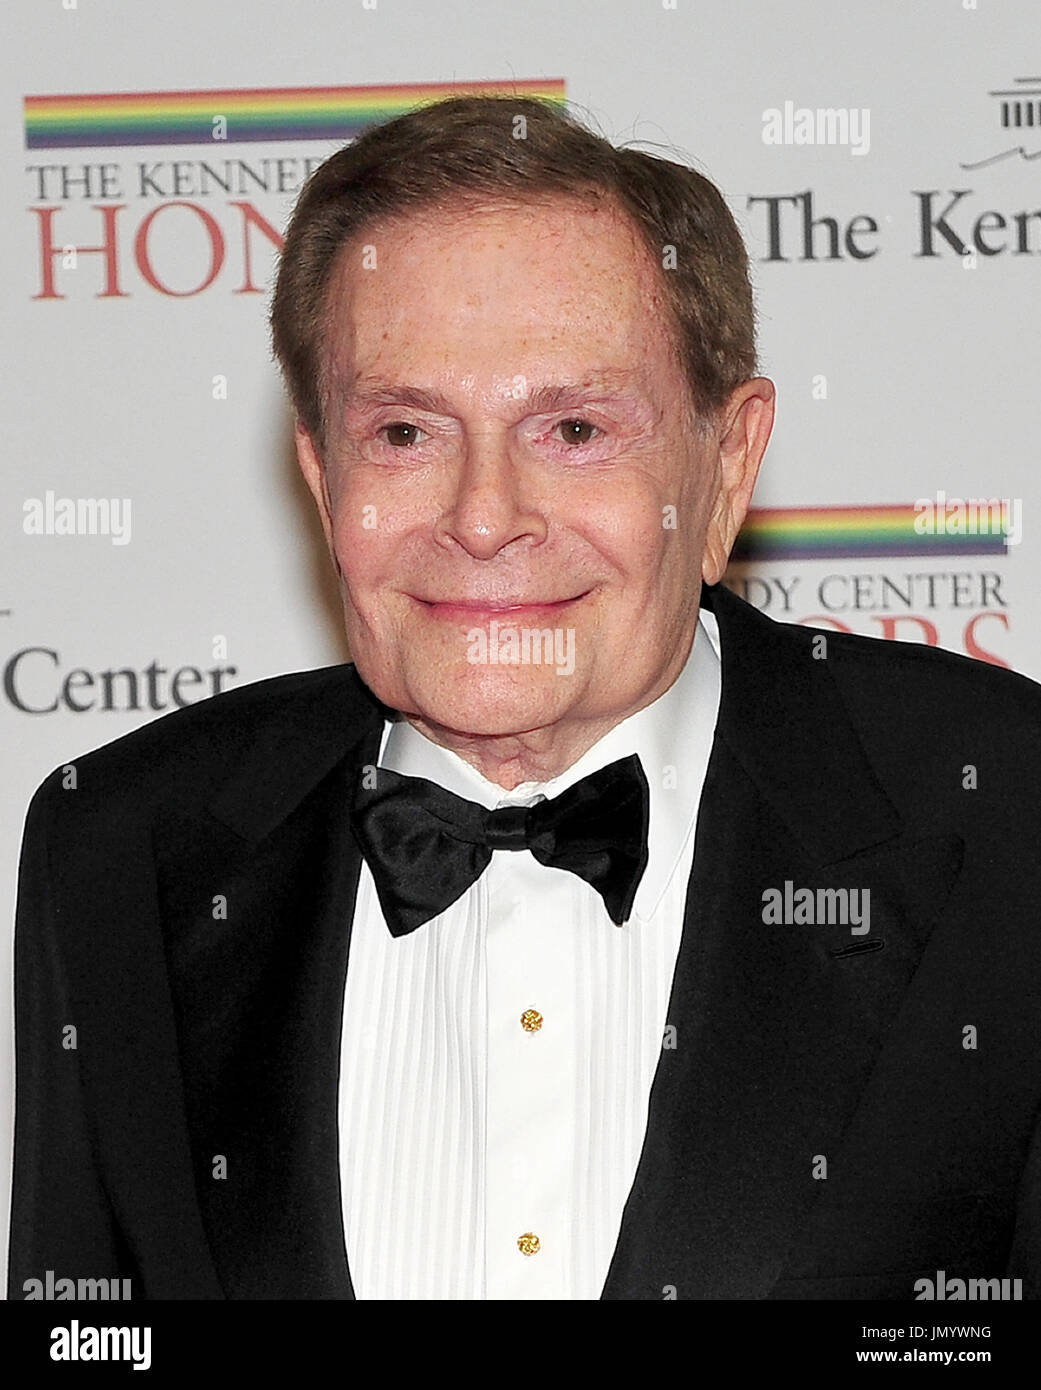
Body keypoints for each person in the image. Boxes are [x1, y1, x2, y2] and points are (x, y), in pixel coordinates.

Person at [8, 95, 1041, 1301]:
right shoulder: (124, 848)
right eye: (403, 429)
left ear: (726, 465)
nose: (484, 517)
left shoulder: (1002, 820)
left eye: (573, 428)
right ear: (319, 472)